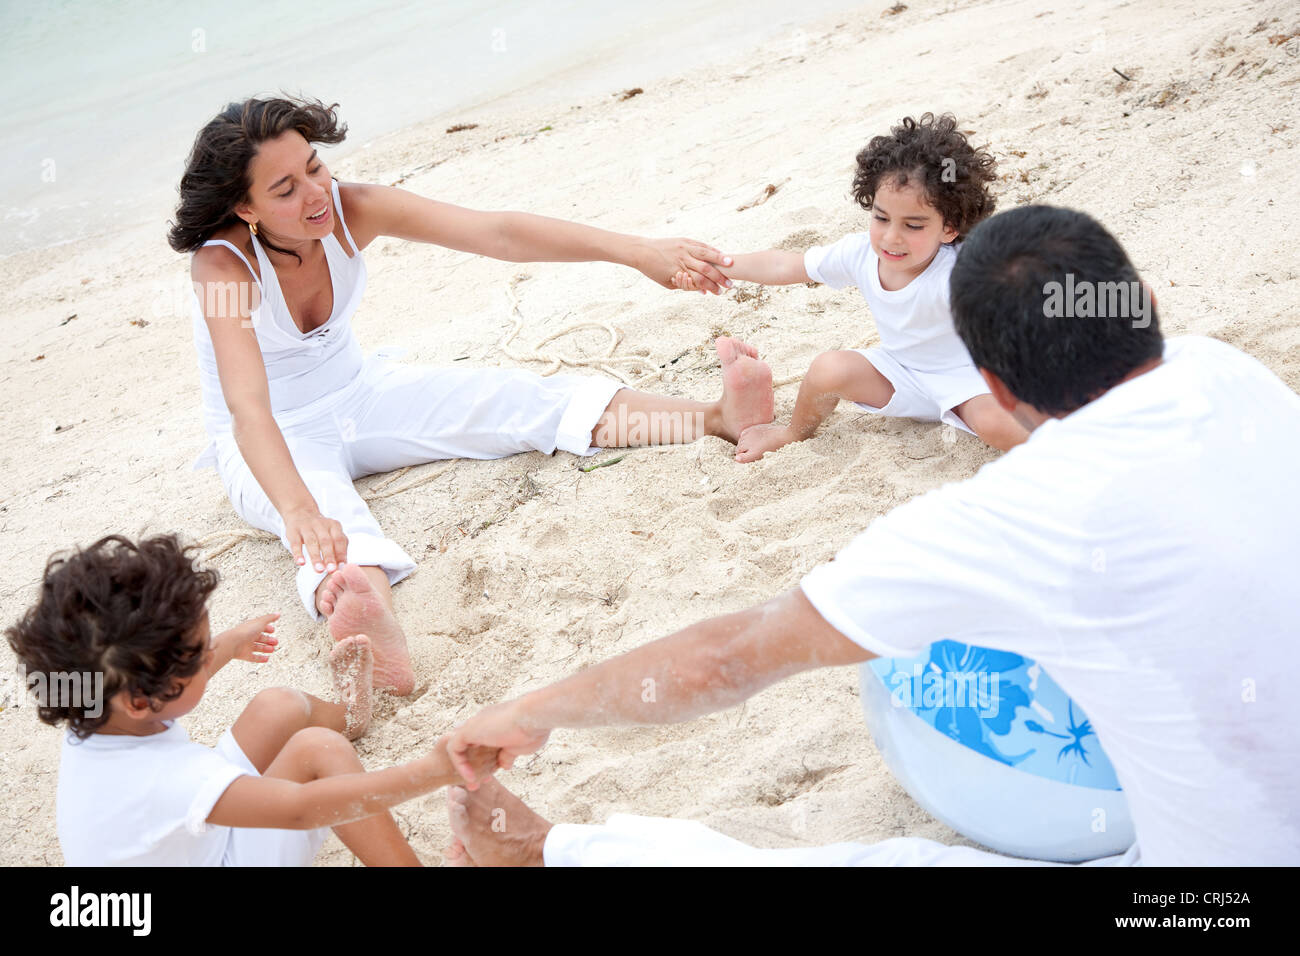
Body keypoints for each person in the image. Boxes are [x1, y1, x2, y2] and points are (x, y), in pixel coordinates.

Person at [442, 205, 1300, 866]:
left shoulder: (1013, 519)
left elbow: (727, 659)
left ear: (993, 388)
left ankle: (552, 854)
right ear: (1144, 304)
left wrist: (529, 711)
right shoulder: (1229, 371)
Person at [171, 96, 775, 694]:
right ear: (244, 206)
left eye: (314, 166)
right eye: (285, 189)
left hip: (363, 393)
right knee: (333, 523)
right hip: (271, 438)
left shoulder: (354, 208)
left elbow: (498, 233)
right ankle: (368, 631)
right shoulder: (220, 272)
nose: (315, 192)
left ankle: (717, 419)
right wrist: (298, 508)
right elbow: (248, 408)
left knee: (512, 398)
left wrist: (637, 251)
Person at [5, 534, 497, 866]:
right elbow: (302, 808)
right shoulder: (167, 779)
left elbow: (153, 686)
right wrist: (434, 770)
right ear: (141, 699)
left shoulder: (91, 700)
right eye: (200, 653)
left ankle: (354, 713)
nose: (211, 651)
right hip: (213, 853)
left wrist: (225, 648)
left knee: (276, 704)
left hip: (186, 843)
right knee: (319, 751)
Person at [673, 113, 1026, 462]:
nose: (891, 237)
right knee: (829, 369)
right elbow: (785, 265)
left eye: (913, 225)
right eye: (882, 217)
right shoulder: (858, 253)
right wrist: (717, 265)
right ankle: (791, 433)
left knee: (996, 424)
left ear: (949, 229)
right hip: (902, 374)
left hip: (970, 384)